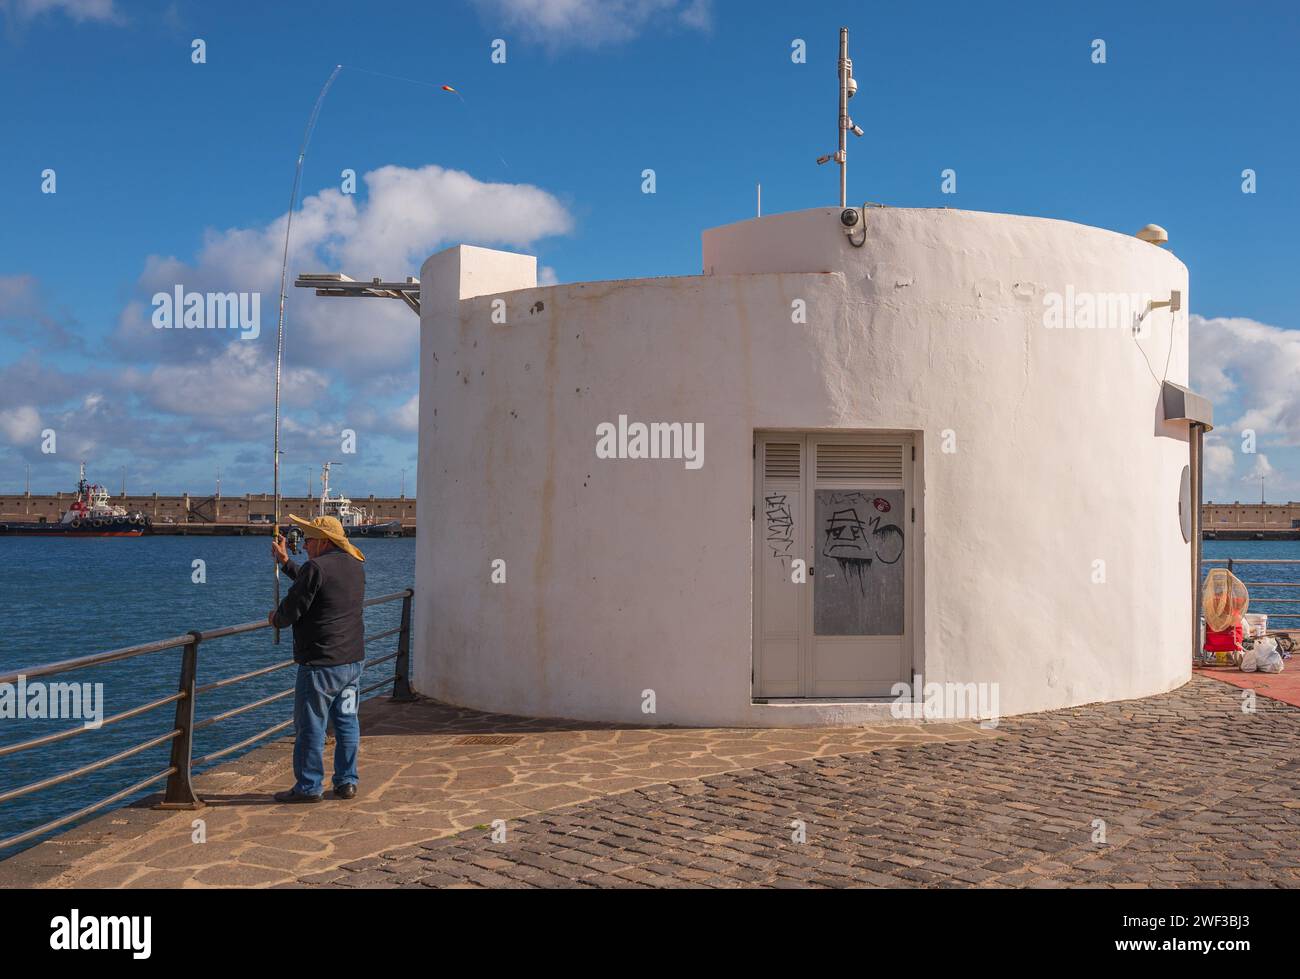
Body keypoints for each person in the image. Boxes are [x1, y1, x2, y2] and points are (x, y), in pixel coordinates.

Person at [267, 514, 366, 803]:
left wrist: (275, 619)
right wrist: (286, 563)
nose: (306, 545)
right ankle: (347, 781)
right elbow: (317, 585)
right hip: (352, 660)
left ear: (323, 542)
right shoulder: (355, 564)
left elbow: (290, 611)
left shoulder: (316, 567)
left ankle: (309, 786)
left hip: (321, 663)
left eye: (309, 540)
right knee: (347, 721)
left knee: (311, 725)